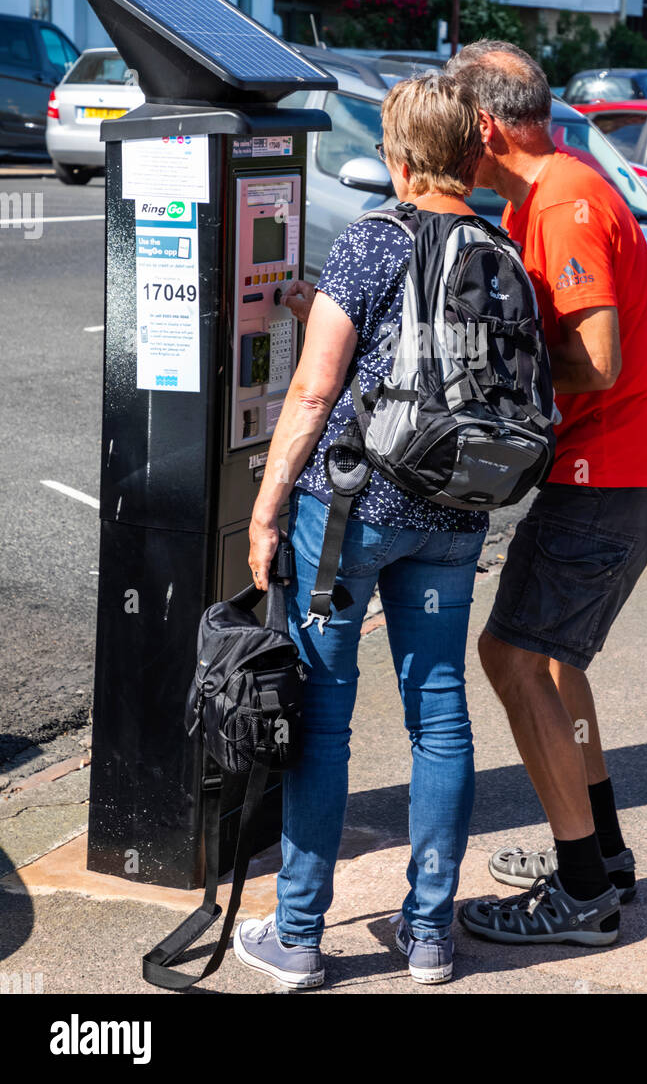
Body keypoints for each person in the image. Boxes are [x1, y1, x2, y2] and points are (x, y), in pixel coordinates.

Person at [445, 40, 647, 948]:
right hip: (631, 458)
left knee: (511, 657)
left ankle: (584, 893)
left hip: (614, 462)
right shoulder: (558, 189)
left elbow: (594, 360)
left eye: (450, 120)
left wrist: (486, 363)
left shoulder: (560, 199)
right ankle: (602, 855)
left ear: (482, 126)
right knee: (553, 662)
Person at [236, 73, 489, 989]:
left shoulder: (372, 242)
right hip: (455, 516)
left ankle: (298, 937)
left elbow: (313, 391)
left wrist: (267, 509)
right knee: (440, 716)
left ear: (399, 156)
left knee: (323, 719)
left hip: (351, 513)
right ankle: (428, 938)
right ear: (471, 152)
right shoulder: (495, 248)